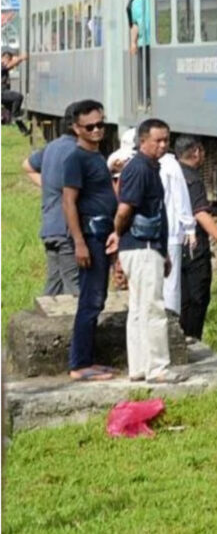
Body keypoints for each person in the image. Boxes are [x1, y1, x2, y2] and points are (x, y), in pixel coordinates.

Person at [114, 118, 186, 383]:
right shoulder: (141, 169)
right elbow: (124, 210)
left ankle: (139, 366)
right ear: (143, 141)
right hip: (142, 246)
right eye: (158, 140)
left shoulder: (148, 167)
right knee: (154, 308)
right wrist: (118, 234)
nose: (163, 145)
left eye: (167, 140)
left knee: (138, 308)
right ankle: (157, 368)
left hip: (144, 247)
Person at [60, 100, 119, 381]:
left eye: (100, 124)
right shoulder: (76, 159)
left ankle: (87, 359)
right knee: (91, 298)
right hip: (90, 236)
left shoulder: (96, 156)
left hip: (102, 234)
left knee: (98, 298)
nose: (97, 130)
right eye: (90, 127)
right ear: (76, 128)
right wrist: (79, 242)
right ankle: (80, 364)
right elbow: (69, 202)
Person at [176, 135, 217, 342]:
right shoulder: (193, 179)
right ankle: (192, 340)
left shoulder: (172, 173)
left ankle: (180, 338)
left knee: (182, 296)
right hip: (194, 246)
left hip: (176, 244)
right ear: (197, 152)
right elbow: (200, 213)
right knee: (197, 296)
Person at [23, 108, 81, 295]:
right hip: (67, 229)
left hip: (50, 227)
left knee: (54, 285)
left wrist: (47, 185)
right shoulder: (77, 151)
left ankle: (42, 314)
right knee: (74, 288)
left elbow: (27, 165)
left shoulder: (52, 147)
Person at [160, 147, 196, 317]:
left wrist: (189, 227)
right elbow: (181, 198)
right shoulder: (170, 165)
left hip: (164, 233)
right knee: (170, 285)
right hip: (170, 233)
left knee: (166, 284)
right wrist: (189, 227)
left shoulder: (167, 165)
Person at [128, 0, 151, 105]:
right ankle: (146, 99)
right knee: (144, 73)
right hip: (143, 43)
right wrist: (133, 42)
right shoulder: (134, 3)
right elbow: (135, 25)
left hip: (155, 42)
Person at [2, 50, 29, 119]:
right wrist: (21, 58)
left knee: (11, 108)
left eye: (9, 59)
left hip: (4, 92)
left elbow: (13, 64)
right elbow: (10, 65)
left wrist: (17, 60)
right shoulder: (2, 65)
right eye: (7, 58)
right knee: (18, 97)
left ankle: (8, 118)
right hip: (2, 92)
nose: (8, 61)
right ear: (3, 58)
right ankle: (15, 116)